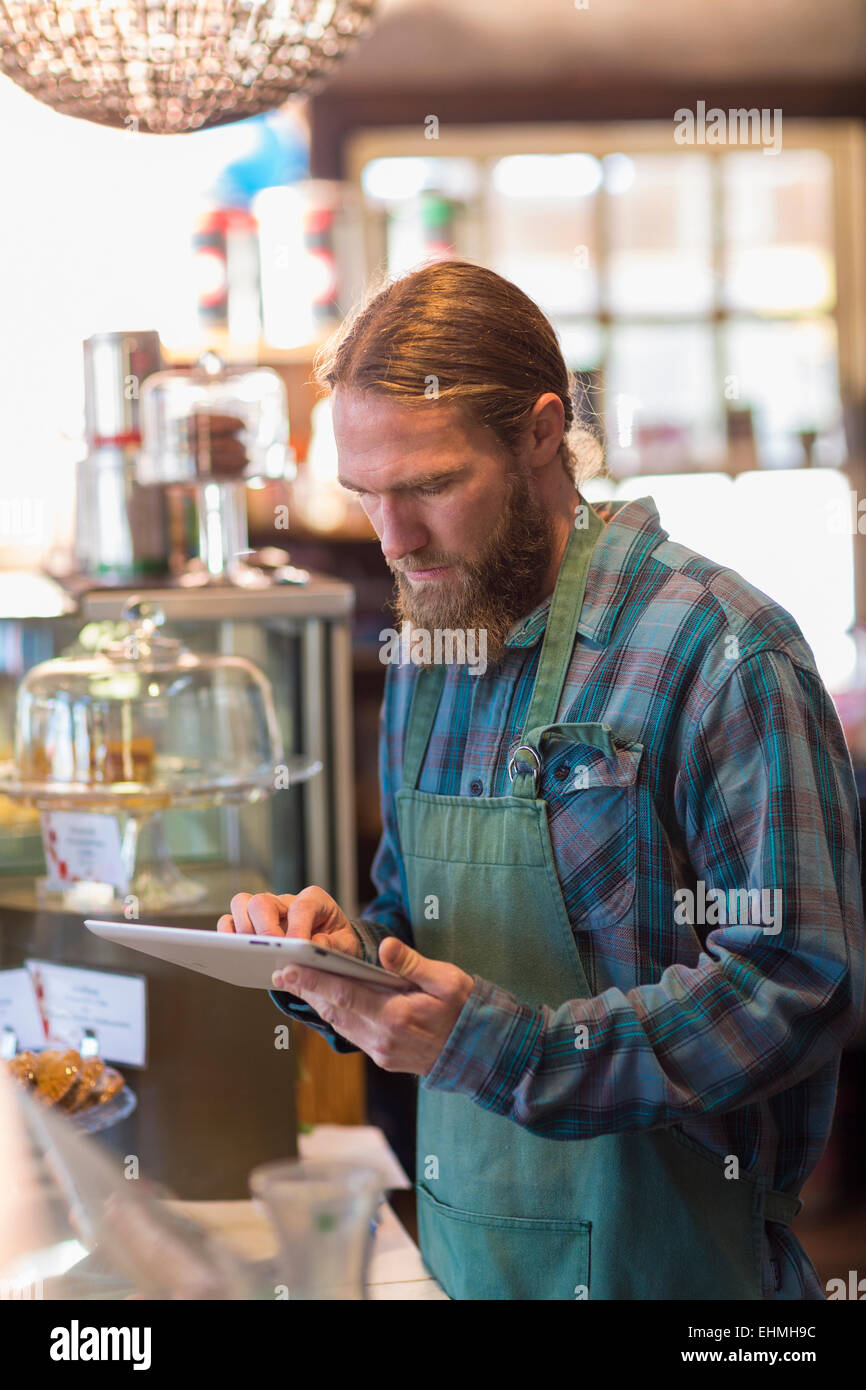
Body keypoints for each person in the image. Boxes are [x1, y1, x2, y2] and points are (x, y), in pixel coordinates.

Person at [218, 260, 864, 1301]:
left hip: (675, 1272)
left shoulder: (720, 648)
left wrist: (509, 1048)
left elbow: (795, 982)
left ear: (538, 432)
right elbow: (413, 925)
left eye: (429, 486)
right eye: (364, 495)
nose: (394, 541)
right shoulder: (429, 650)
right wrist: (341, 961)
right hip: (468, 1256)